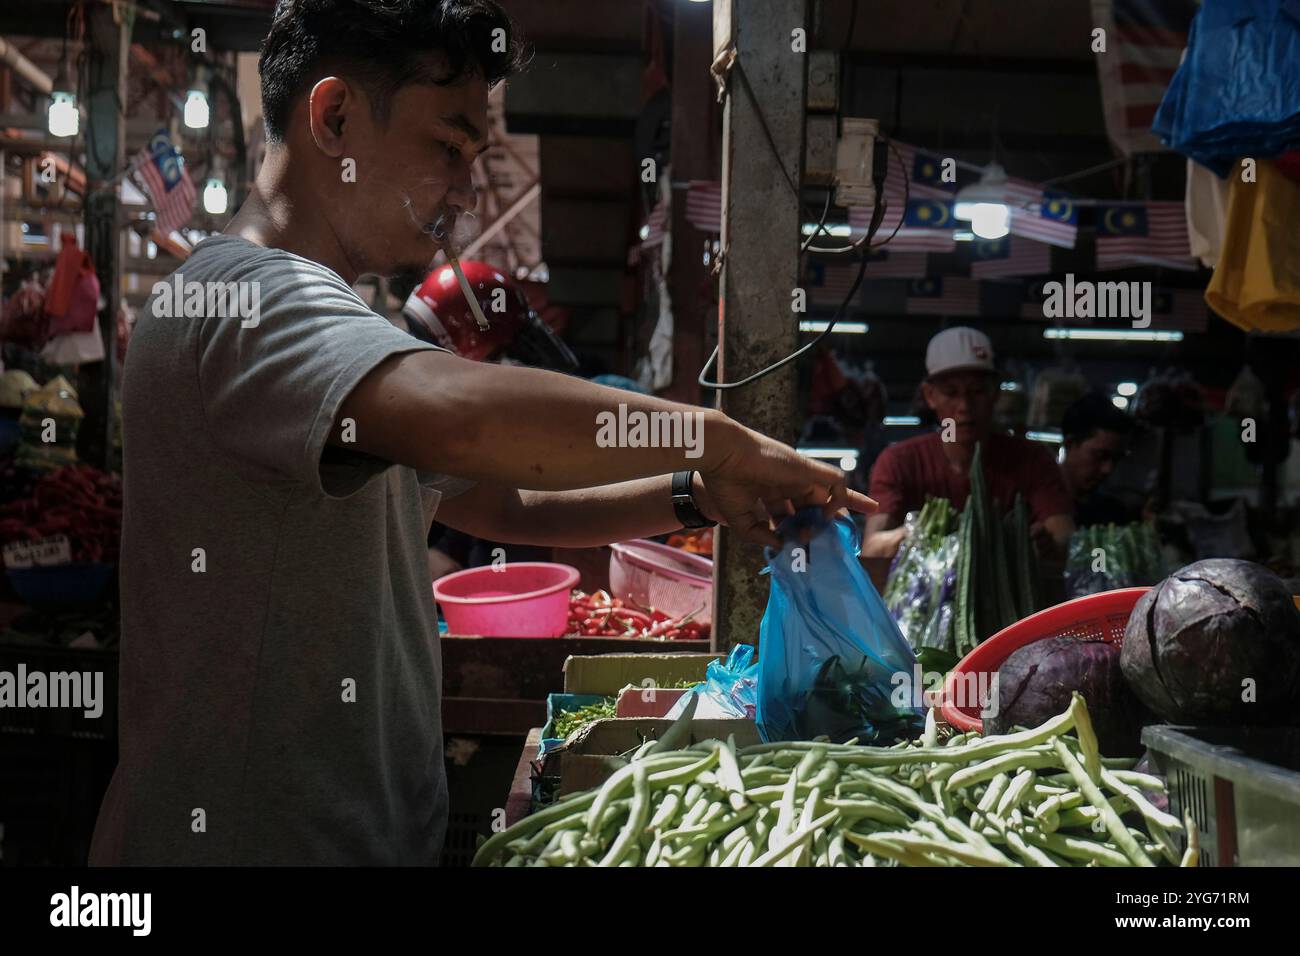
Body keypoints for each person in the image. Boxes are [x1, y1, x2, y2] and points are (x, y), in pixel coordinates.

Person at [88, 0, 872, 866]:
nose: (464, 189)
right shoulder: (249, 299)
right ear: (335, 116)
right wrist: (712, 437)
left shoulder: (339, 320)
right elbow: (461, 419)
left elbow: (504, 496)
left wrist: (689, 490)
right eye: (448, 147)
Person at [862, 327, 1074, 558]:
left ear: (994, 393)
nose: (964, 406)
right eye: (951, 393)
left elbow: (1063, 535)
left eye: (977, 391)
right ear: (930, 396)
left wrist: (1045, 542)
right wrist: (921, 532)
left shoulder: (1033, 459)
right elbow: (873, 547)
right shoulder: (899, 462)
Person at [1060, 391, 1137, 526]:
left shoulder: (1114, 513)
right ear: (1069, 444)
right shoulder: (1034, 505)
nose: (1108, 469)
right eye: (1100, 456)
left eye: (1116, 459)